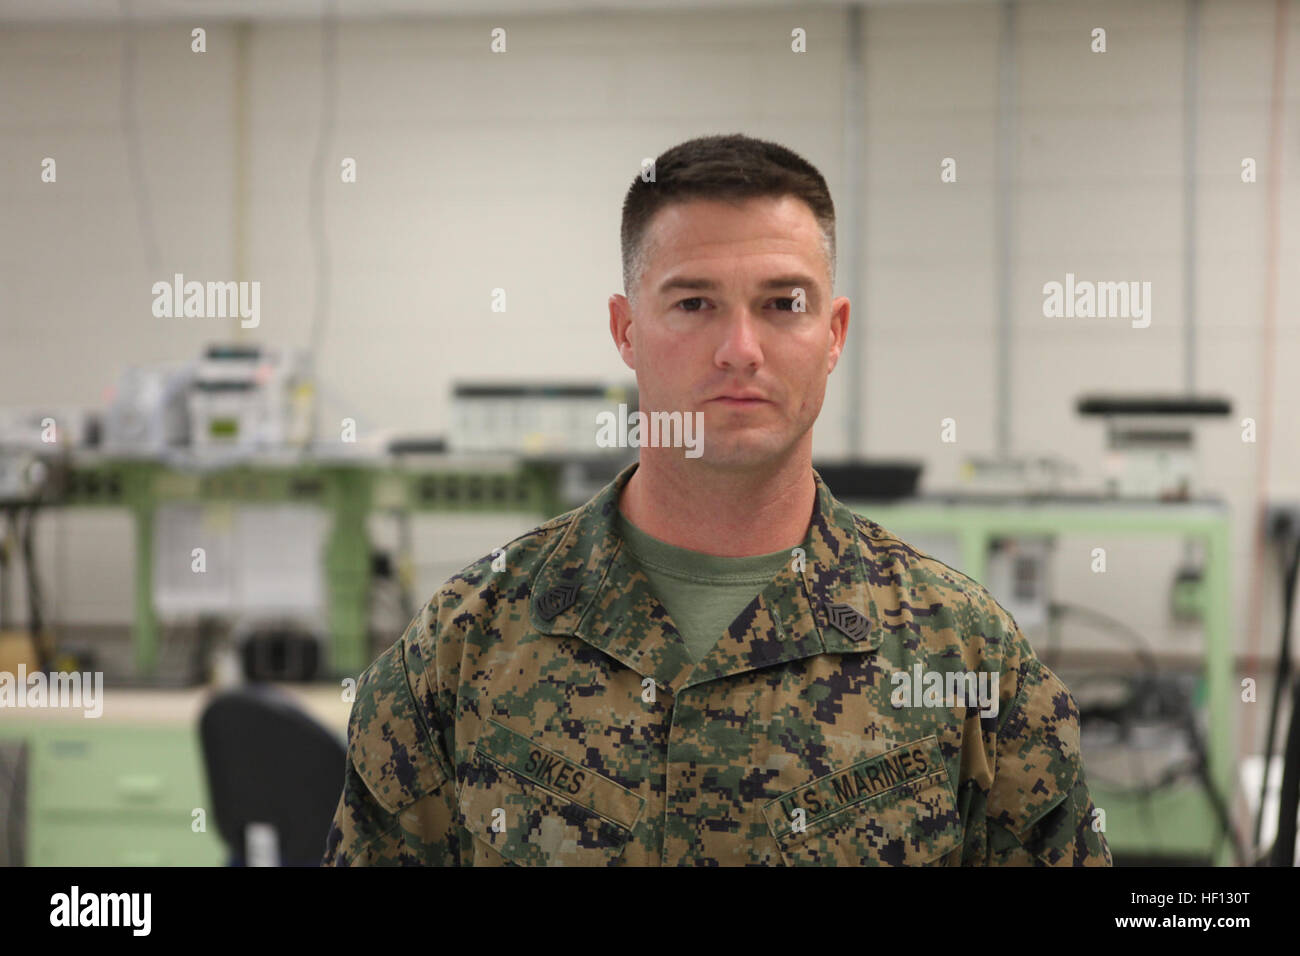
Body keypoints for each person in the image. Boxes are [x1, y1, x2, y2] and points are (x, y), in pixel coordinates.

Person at [322, 133, 1111, 866]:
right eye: (694, 303)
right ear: (625, 331)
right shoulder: (467, 645)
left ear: (833, 334)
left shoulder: (966, 657)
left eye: (783, 304)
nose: (740, 349)